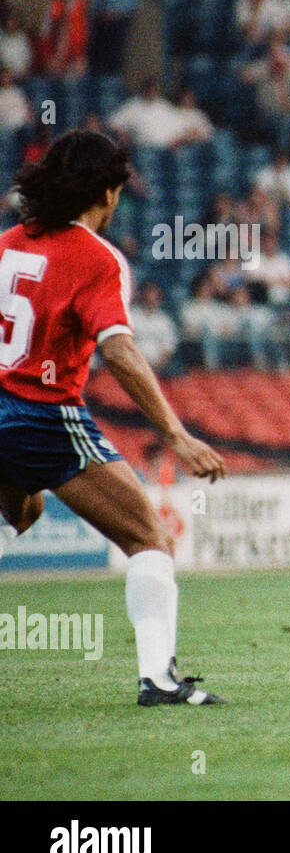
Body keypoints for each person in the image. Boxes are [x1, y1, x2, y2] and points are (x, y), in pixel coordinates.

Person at [0, 129, 226, 705]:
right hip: (44, 414)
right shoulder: (99, 258)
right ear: (107, 193)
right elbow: (119, 349)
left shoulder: (7, 244)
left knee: (22, 516)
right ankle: (159, 679)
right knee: (149, 537)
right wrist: (174, 434)